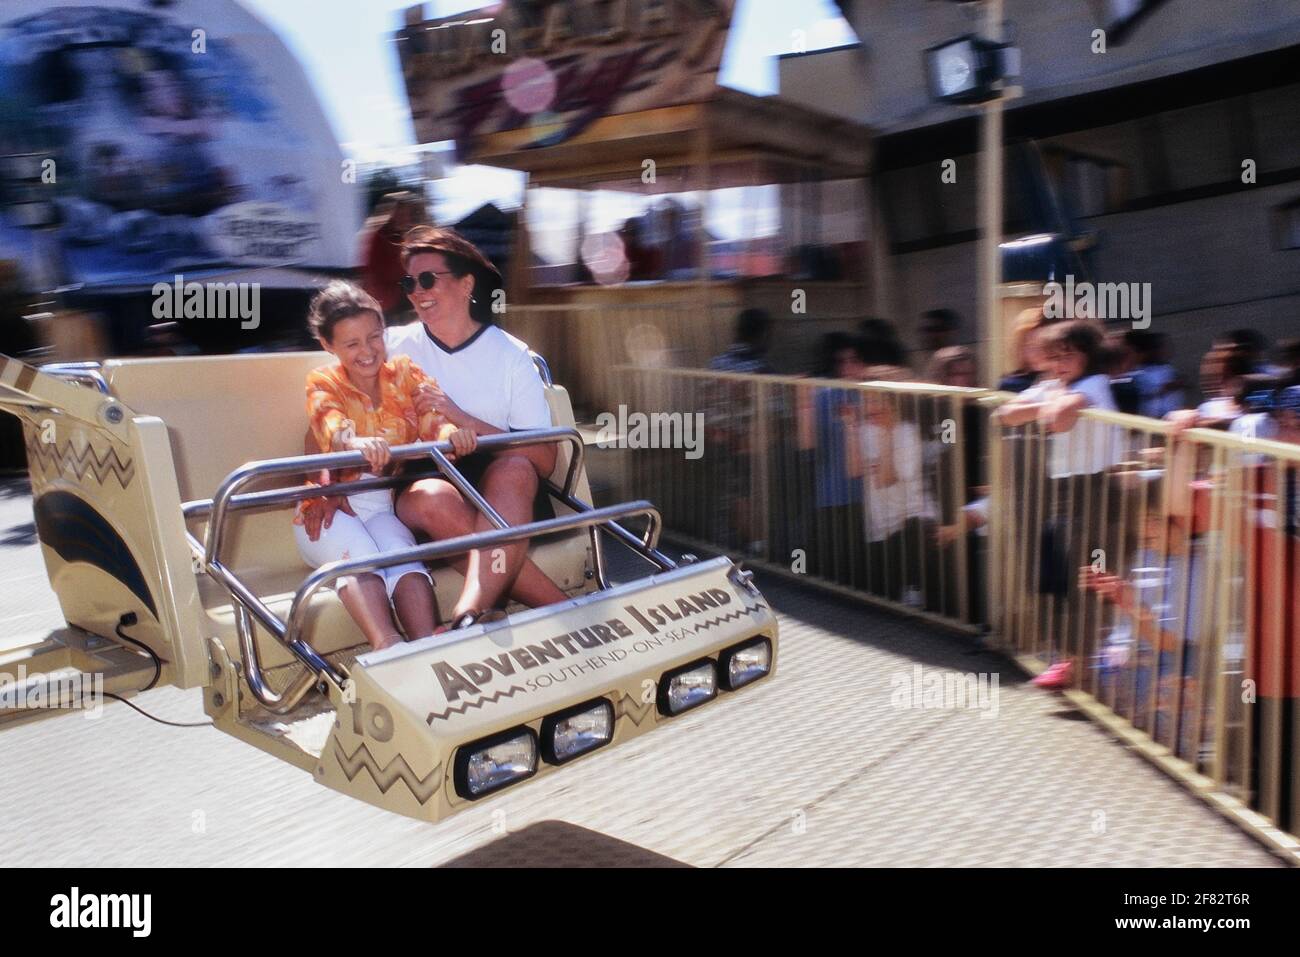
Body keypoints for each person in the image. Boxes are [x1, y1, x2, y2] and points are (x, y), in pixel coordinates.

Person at [388, 226, 568, 627]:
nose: (417, 291)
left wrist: (461, 418)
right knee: (430, 498)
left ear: (467, 283)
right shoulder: (390, 346)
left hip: (501, 488)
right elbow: (335, 395)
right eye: (409, 283)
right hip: (426, 480)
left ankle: (468, 610)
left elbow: (544, 457)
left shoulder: (512, 356)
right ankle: (558, 607)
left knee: (516, 468)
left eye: (428, 279)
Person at [294, 281, 477, 650]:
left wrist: (452, 434)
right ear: (329, 346)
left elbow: (431, 419)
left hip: (378, 507)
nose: (367, 351)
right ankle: (388, 646)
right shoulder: (324, 382)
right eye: (352, 344)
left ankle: (429, 647)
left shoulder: (404, 375)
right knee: (364, 558)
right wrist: (355, 442)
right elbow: (329, 423)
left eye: (374, 337)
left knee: (402, 554)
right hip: (330, 512)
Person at [994, 319, 1123, 688]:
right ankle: (1070, 657)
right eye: (1053, 356)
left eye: (1069, 355)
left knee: (1085, 576)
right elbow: (1004, 414)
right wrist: (1048, 402)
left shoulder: (1094, 383)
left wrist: (1048, 405)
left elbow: (1058, 421)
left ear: (1089, 355)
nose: (1060, 363)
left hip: (1097, 489)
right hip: (1064, 490)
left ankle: (1080, 661)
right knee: (1053, 574)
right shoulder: (1053, 384)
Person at [357, 191, 422, 319]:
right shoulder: (379, 238)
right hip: (386, 302)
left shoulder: (403, 237)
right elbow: (388, 272)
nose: (405, 218)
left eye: (407, 214)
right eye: (401, 213)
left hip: (398, 299)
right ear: (391, 215)